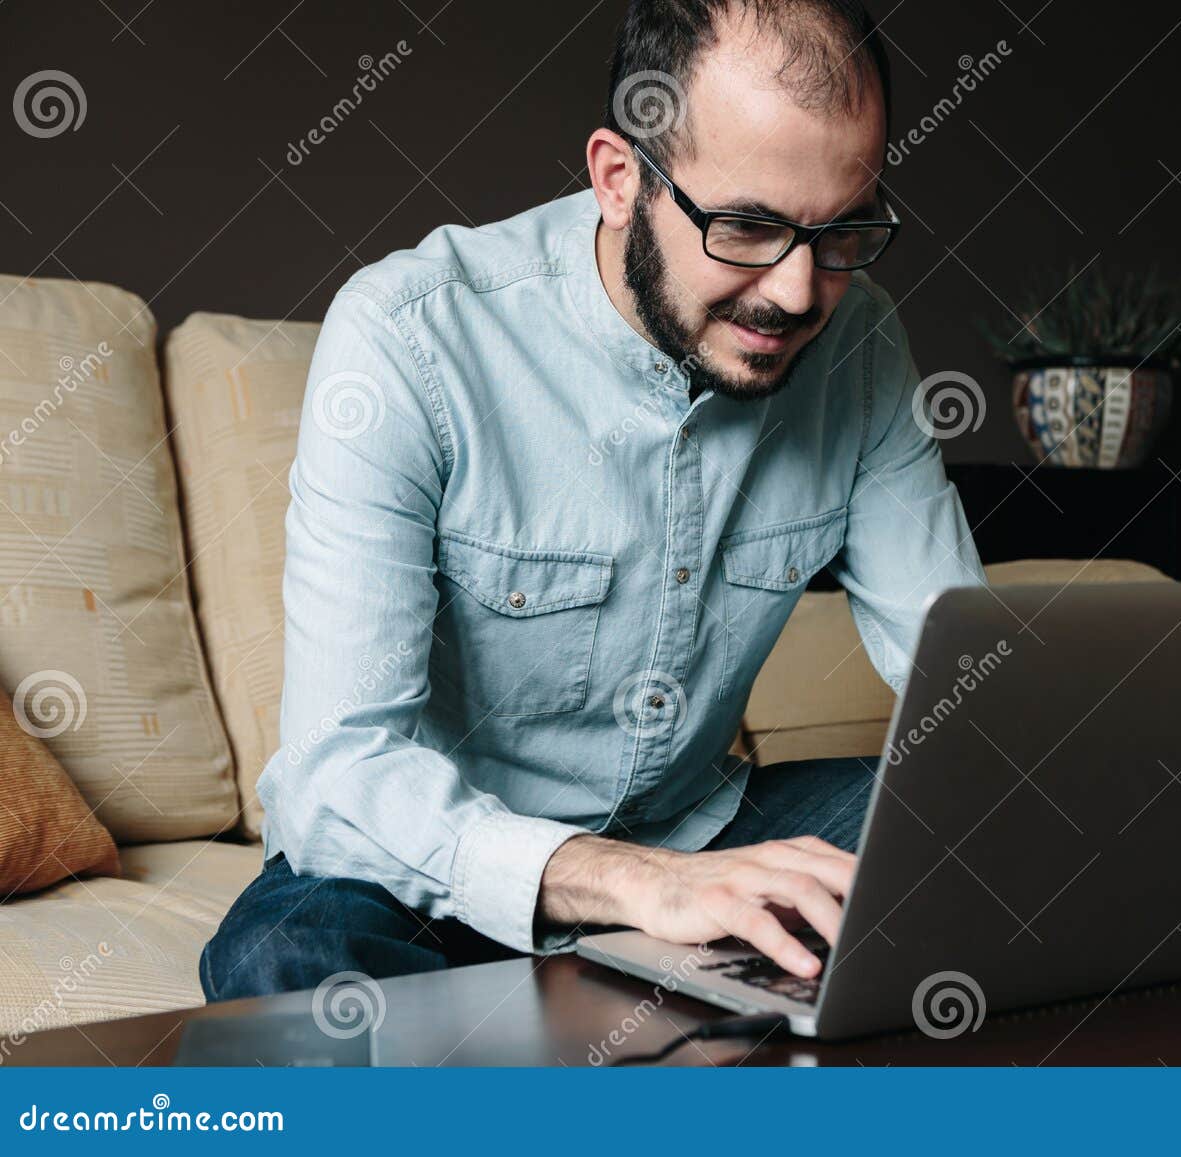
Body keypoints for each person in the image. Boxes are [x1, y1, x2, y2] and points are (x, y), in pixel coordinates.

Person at [200, 0, 984, 1003]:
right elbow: (337, 772)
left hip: (701, 828)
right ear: (621, 179)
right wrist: (636, 884)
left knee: (985, 837)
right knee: (284, 962)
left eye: (840, 235)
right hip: (436, 867)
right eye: (748, 227)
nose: (797, 293)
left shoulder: (858, 343)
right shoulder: (409, 337)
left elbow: (960, 671)